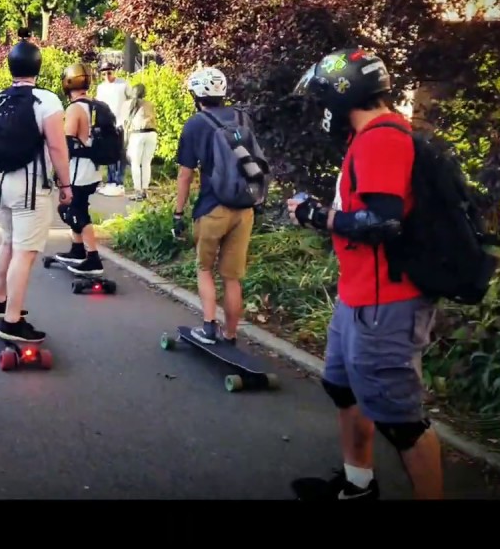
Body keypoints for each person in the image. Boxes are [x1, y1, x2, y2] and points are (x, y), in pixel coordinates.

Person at [287, 48, 444, 501]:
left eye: (323, 99)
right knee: (342, 387)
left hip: (386, 302)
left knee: (401, 421)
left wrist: (318, 216)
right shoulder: (369, 136)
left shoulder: (381, 139)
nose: (321, 110)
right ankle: (358, 486)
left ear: (341, 98)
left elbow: (382, 222)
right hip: (359, 296)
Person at [0, 31, 72, 343]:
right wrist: (66, 184)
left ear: (10, 67)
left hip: (0, 182)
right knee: (25, 252)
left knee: (7, 243)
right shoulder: (47, 100)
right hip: (31, 185)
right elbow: (57, 148)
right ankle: (12, 320)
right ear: (38, 67)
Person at [171, 65, 266, 347]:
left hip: (212, 207)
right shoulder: (242, 118)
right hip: (244, 207)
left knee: (204, 269)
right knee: (232, 278)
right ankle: (231, 334)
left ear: (195, 94)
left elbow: (185, 175)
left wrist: (178, 212)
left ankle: (209, 327)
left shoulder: (196, 124)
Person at [50, 62, 106, 276]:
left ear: (67, 84)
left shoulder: (74, 108)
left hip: (78, 169)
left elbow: (66, 143)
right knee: (77, 207)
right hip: (92, 167)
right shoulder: (96, 105)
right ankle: (77, 250)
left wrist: (58, 171)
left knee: (73, 210)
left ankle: (92, 258)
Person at [93, 62, 129, 196]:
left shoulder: (123, 84)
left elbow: (130, 101)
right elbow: (98, 105)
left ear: (114, 72)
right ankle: (110, 180)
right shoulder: (101, 88)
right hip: (106, 123)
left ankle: (119, 181)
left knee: (119, 153)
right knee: (108, 151)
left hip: (120, 122)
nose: (107, 76)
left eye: (109, 73)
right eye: (104, 74)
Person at [124, 82, 158, 200]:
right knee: (146, 163)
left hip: (137, 134)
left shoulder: (129, 104)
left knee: (135, 164)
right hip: (152, 133)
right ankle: (145, 190)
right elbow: (153, 118)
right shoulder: (150, 104)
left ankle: (137, 190)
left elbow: (126, 123)